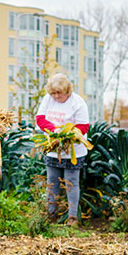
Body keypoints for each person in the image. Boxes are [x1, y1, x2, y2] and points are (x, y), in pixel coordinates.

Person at [35, 73, 90, 227]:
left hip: (73, 150)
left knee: (71, 183)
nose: (56, 96)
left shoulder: (78, 103)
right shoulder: (48, 100)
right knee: (52, 183)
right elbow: (40, 119)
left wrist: (67, 135)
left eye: (60, 93)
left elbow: (83, 126)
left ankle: (72, 217)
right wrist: (54, 131)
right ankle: (51, 214)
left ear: (67, 91)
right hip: (53, 149)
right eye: (53, 93)